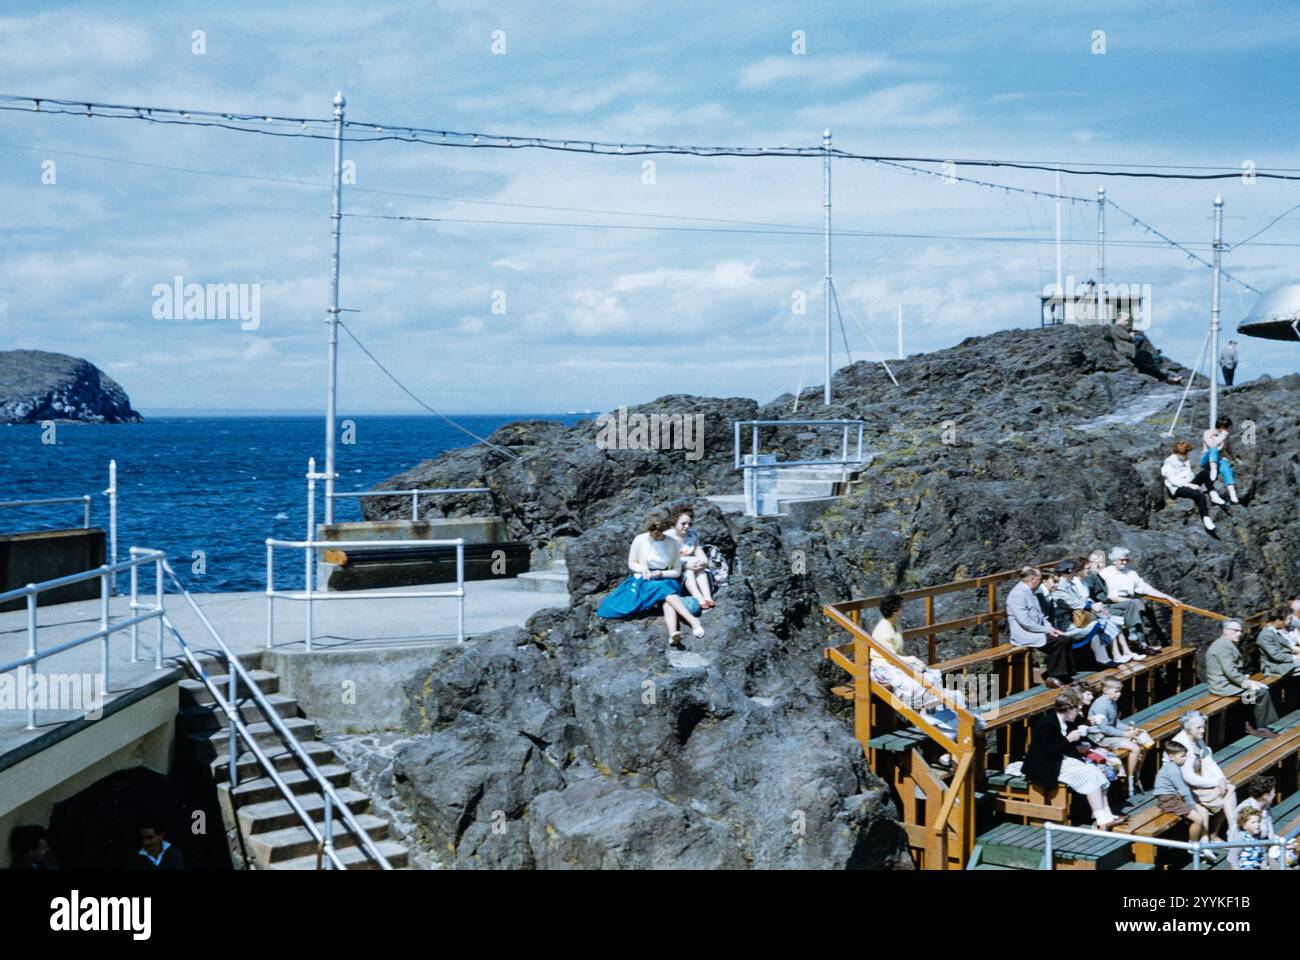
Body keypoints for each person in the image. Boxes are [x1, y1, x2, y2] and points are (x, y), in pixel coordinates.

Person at [597, 511, 705, 649]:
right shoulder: (640, 539)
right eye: (653, 531)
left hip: (666, 578)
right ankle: (674, 633)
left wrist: (661, 573)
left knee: (665, 589)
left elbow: (677, 571)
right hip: (645, 579)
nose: (656, 534)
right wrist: (643, 570)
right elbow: (632, 563)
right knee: (668, 599)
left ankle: (691, 622)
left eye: (659, 531)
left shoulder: (671, 543)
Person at [1023, 692, 1126, 829]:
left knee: (1097, 771)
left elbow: (1065, 748)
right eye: (1077, 710)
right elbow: (1049, 753)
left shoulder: (1066, 722)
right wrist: (1069, 740)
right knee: (1089, 776)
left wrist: (1079, 746)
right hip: (1045, 765)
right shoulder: (1046, 724)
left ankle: (1106, 816)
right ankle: (1102, 821)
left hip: (1060, 760)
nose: (1078, 713)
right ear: (1068, 709)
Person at [1050, 559, 1141, 667]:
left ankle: (1107, 658)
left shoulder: (1069, 583)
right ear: (1069, 571)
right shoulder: (1060, 586)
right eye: (1074, 570)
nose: (1075, 572)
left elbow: (1079, 600)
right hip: (1067, 625)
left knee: (1103, 623)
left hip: (1077, 618)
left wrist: (1094, 606)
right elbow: (1072, 603)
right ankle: (1108, 658)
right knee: (1100, 624)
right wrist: (1091, 606)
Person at [1205, 619, 1279, 737]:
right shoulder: (1223, 646)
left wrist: (1246, 679)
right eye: (1236, 630)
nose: (1239, 633)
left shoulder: (1227, 644)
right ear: (1225, 631)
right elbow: (1230, 671)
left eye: (1240, 631)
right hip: (1222, 686)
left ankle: (1248, 723)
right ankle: (1261, 728)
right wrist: (1247, 683)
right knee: (1261, 692)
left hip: (1228, 682)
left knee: (1253, 692)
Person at [1100, 547, 1179, 653]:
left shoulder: (1131, 574)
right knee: (1134, 606)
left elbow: (1146, 588)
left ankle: (1141, 644)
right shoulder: (1105, 573)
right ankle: (1141, 644)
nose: (1124, 562)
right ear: (1114, 561)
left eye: (1126, 560)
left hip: (1128, 604)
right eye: (1121, 560)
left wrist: (1166, 596)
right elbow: (1109, 596)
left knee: (1135, 607)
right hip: (1110, 605)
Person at [1087, 677, 1157, 795]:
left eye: (1120, 691)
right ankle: (1130, 781)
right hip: (1100, 738)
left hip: (1109, 734)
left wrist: (1129, 729)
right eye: (1116, 691)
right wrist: (1125, 734)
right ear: (1105, 690)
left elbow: (1115, 722)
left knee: (1142, 739)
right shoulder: (1101, 705)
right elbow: (1105, 728)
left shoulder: (1112, 702)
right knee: (1135, 747)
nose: (1118, 694)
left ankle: (1137, 773)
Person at [1172, 710, 1237, 836]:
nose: (1203, 730)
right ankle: (1231, 832)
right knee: (1227, 792)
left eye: (1203, 727)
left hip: (1196, 783)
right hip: (1182, 789)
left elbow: (1209, 761)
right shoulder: (1181, 744)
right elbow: (1188, 777)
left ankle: (1231, 830)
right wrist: (1215, 782)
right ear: (1188, 728)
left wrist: (1221, 779)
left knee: (1228, 788)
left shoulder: (1196, 739)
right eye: (1199, 727)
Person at [1007, 566, 1073, 687]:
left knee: (1065, 638)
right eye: (1039, 578)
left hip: (1037, 629)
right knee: (1057, 642)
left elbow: (1041, 617)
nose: (1040, 581)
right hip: (1024, 633)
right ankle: (1053, 677)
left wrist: (1052, 629)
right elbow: (1025, 622)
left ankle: (1061, 674)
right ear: (1032, 579)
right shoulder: (1017, 594)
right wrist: (1047, 630)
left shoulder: (1031, 592)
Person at [1153, 740, 1215, 856]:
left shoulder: (1174, 766)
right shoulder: (1172, 769)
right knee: (1198, 819)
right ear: (1171, 757)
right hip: (1169, 799)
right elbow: (1183, 790)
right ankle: (1192, 845)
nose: (1185, 758)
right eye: (1182, 756)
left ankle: (1203, 841)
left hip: (1173, 797)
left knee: (1203, 812)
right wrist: (1192, 806)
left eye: (1185, 755)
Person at [1228, 776, 1296, 870]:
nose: (1275, 794)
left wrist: (1283, 843)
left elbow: (1269, 836)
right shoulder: (1246, 810)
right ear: (1265, 795)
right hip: (1246, 856)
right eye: (1272, 793)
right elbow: (1236, 840)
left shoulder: (1265, 809)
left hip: (1262, 851)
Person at [1161, 439, 1225, 532]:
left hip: (1187, 483)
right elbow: (1173, 481)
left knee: (1205, 473)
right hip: (1177, 489)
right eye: (1186, 454)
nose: (1188, 456)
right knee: (1199, 495)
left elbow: (1190, 476)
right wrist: (1190, 486)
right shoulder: (1169, 462)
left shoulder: (1184, 460)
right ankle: (1206, 518)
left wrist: (1187, 467)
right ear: (1180, 454)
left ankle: (1213, 494)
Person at [668, 506, 714, 610]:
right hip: (676, 571)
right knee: (688, 572)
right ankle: (698, 598)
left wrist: (703, 562)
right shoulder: (667, 538)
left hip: (693, 566)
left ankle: (707, 597)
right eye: (683, 523)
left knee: (701, 568)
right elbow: (666, 561)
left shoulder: (692, 536)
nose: (687, 526)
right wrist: (685, 566)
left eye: (689, 524)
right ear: (675, 521)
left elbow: (699, 552)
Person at [1201, 416, 1242, 505]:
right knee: (1213, 449)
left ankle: (1232, 491)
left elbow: (1230, 450)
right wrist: (1222, 436)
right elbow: (1212, 445)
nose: (1229, 430)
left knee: (1225, 465)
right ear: (1223, 427)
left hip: (1219, 460)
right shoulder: (1208, 433)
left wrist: (1236, 459)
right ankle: (1214, 469)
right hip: (1207, 460)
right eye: (1229, 428)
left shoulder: (1225, 436)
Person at [1256, 607, 1300, 678]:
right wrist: (1295, 657)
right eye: (1288, 619)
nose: (1290, 622)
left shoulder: (1275, 631)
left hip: (1284, 661)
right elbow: (1277, 656)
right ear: (1278, 621)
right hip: (1274, 666)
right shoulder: (1265, 635)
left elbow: (1288, 646)